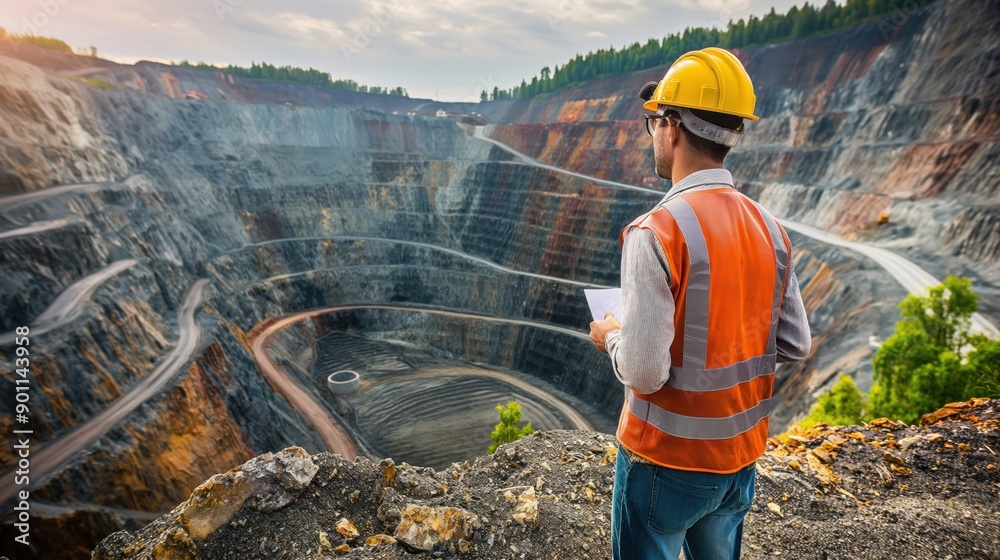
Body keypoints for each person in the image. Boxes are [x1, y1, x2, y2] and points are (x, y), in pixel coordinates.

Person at [588, 47, 812, 559]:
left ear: (671, 126)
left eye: (655, 123)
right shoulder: (771, 230)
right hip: (738, 462)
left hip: (665, 463)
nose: (655, 137)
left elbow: (644, 372)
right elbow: (795, 343)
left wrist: (611, 337)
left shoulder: (656, 231)